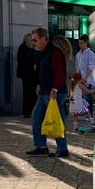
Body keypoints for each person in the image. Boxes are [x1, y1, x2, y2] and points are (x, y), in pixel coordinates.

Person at [27, 27, 69, 158]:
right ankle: (41, 147)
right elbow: (43, 71)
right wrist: (39, 84)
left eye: (35, 40)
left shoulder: (55, 52)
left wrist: (55, 89)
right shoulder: (42, 53)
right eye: (32, 40)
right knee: (36, 117)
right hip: (44, 92)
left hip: (54, 93)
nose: (33, 43)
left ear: (44, 39)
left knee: (57, 119)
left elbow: (60, 73)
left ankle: (62, 149)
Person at [16, 33, 38, 117]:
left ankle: (28, 111)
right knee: (30, 93)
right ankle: (29, 111)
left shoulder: (26, 48)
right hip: (29, 74)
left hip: (27, 74)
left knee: (28, 93)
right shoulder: (26, 48)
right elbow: (23, 61)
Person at [75, 34, 95, 117]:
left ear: (85, 43)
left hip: (87, 79)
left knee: (88, 97)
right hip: (79, 79)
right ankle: (82, 112)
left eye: (82, 43)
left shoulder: (91, 54)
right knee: (79, 97)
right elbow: (77, 67)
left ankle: (89, 114)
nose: (80, 45)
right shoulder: (78, 54)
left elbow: (91, 67)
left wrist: (85, 77)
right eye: (79, 43)